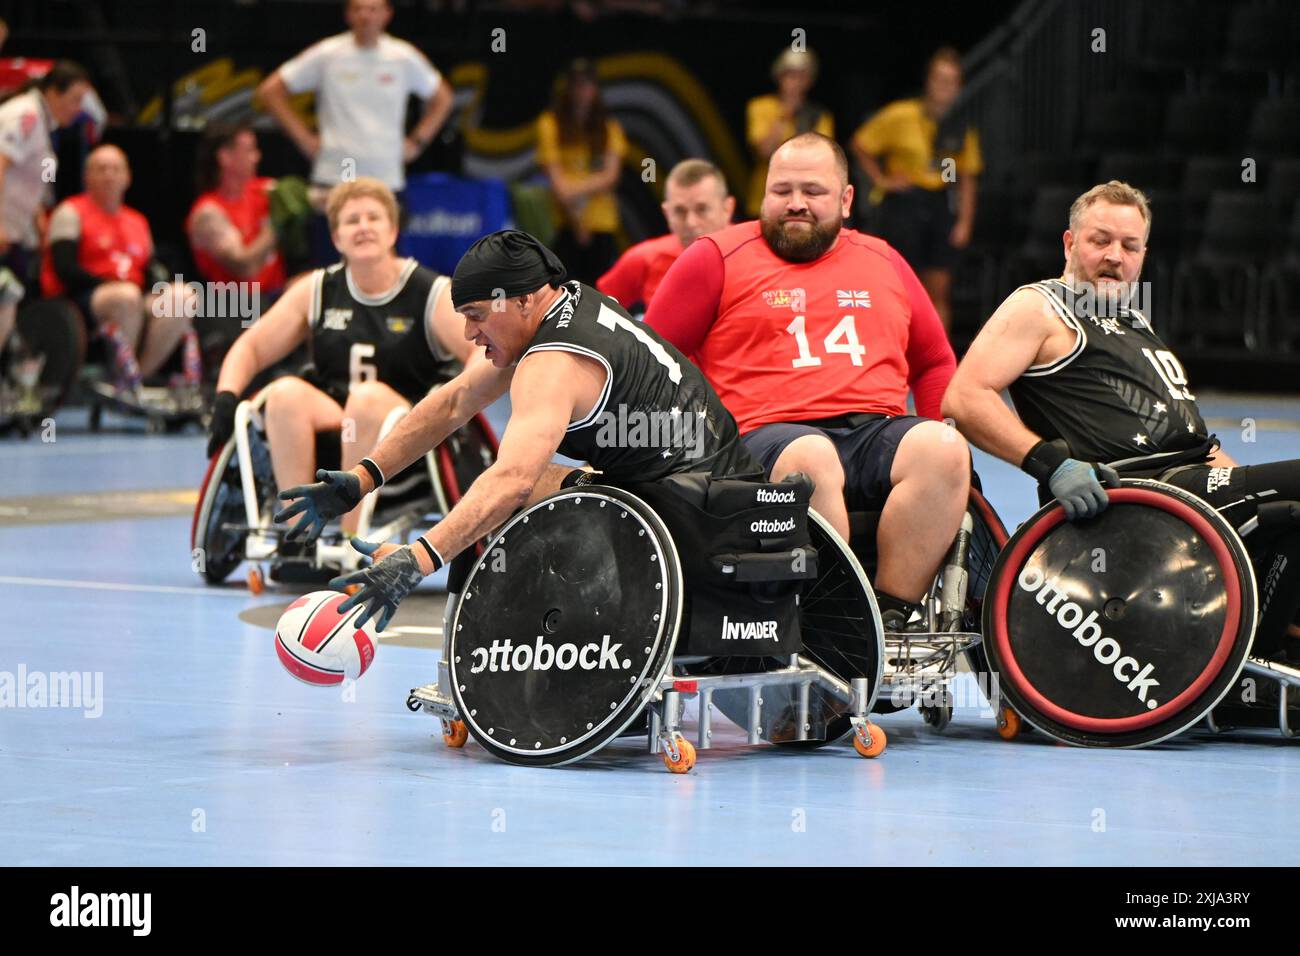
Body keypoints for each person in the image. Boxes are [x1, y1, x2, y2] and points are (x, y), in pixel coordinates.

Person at [274, 229, 760, 630]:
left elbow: (513, 481)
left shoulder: (551, 362)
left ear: (522, 300)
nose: (468, 334)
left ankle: (536, 645)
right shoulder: (567, 305)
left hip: (686, 513)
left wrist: (417, 561)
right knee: (516, 486)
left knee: (509, 488)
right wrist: (364, 476)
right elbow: (454, 402)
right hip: (711, 486)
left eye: (476, 316)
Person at [942, 180, 1300, 663]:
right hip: (1137, 495)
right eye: (1100, 240)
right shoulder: (1040, 306)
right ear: (1069, 244)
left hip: (1190, 483)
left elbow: (1194, 441)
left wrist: (1235, 482)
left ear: (1143, 254)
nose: (1115, 256)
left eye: (1129, 246)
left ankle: (1271, 649)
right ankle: (1253, 652)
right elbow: (964, 398)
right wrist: (1051, 464)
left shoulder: (1134, 321)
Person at [646, 132, 968, 630]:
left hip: (872, 432)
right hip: (765, 438)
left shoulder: (883, 259)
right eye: (782, 191)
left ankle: (888, 617)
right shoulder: (716, 257)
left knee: (945, 448)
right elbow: (649, 360)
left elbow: (933, 360)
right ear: (763, 195)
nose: (795, 204)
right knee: (811, 455)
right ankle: (839, 617)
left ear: (845, 199)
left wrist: (940, 427)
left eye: (813, 192)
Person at [207, 177, 472, 552]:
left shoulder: (430, 291)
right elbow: (251, 346)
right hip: (338, 428)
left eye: (373, 218)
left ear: (393, 229)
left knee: (364, 400)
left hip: (407, 437)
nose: (363, 226)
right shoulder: (316, 289)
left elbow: (481, 353)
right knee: (284, 394)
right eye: (351, 220)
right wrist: (226, 395)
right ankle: (297, 533)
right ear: (336, 238)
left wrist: (456, 401)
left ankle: (350, 538)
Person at [256, 0, 453, 264]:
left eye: (373, 9)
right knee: (330, 271)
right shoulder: (328, 53)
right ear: (348, 14)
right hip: (333, 178)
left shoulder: (403, 56)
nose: (365, 16)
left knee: (387, 268)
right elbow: (270, 91)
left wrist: (417, 141)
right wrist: (303, 139)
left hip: (386, 180)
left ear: (387, 14)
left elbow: (443, 97)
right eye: (358, 9)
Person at [39, 144, 201, 400]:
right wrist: (109, 284)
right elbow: (64, 269)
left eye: (115, 169)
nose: (109, 175)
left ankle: (138, 378)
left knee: (183, 296)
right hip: (85, 298)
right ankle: (123, 376)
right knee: (125, 296)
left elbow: (150, 272)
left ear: (127, 178)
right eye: (101, 169)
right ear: (87, 177)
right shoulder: (70, 212)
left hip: (133, 295)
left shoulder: (138, 221)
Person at [851, 47, 981, 332]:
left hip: (941, 204)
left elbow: (967, 177)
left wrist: (965, 222)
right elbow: (860, 143)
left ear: (958, 88)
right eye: (938, 79)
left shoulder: (960, 128)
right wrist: (882, 179)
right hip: (904, 204)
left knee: (938, 290)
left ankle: (940, 366)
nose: (943, 87)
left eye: (950, 81)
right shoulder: (901, 115)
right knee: (896, 284)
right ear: (928, 81)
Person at [0, 60, 95, 355]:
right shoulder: (25, 114)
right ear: (53, 91)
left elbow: (38, 185)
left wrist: (41, 222)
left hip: (15, 237)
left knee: (9, 303)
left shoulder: (46, 127)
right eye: (75, 99)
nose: (79, 109)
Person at [596, 158, 735, 313]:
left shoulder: (756, 252)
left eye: (702, 209)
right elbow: (594, 310)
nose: (691, 223)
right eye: (680, 211)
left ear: (727, 209)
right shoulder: (645, 258)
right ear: (667, 213)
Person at [536, 59, 627, 283]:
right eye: (575, 85)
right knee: (561, 291)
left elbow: (611, 177)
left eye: (586, 85)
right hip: (565, 226)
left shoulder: (609, 128)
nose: (581, 92)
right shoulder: (550, 125)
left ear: (595, 89)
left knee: (603, 294)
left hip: (602, 228)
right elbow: (560, 188)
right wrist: (578, 222)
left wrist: (574, 187)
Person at [187, 121, 286, 298]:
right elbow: (244, 267)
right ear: (225, 157)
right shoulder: (208, 212)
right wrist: (275, 226)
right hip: (235, 306)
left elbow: (314, 198)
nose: (257, 157)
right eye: (250, 150)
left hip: (276, 296)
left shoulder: (263, 189)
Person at [744, 48, 833, 218]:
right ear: (779, 77)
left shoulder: (819, 115)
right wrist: (785, 115)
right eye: (790, 76)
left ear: (809, 81)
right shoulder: (761, 107)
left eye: (802, 77)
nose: (795, 82)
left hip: (804, 201)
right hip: (764, 198)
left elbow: (824, 158)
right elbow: (763, 151)